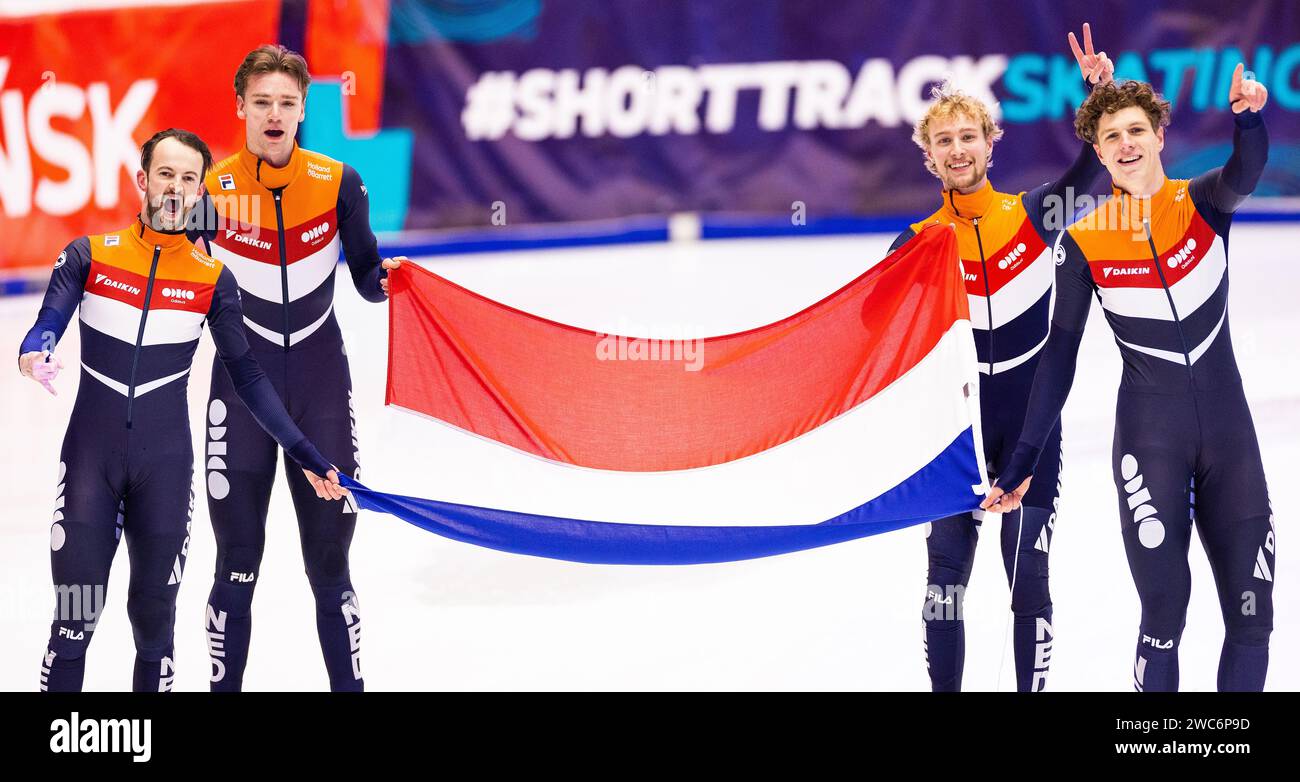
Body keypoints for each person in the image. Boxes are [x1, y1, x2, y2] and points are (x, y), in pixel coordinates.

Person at [18, 128, 346, 693]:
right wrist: (34, 349)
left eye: (189, 178)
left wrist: (308, 455)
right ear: (143, 180)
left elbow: (248, 377)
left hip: (164, 473)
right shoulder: (90, 256)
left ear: (200, 194)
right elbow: (48, 320)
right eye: (165, 174)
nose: (176, 187)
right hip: (90, 467)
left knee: (154, 625)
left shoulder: (213, 281)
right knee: (73, 622)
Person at [984, 65, 1272, 691]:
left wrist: (1248, 119)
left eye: (1136, 129)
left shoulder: (1203, 202)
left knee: (1253, 616)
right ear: (1097, 151)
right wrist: (1025, 456)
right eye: (1110, 136)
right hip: (1150, 437)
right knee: (1164, 616)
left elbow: (1247, 171)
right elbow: (1060, 352)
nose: (1126, 144)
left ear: (1161, 134)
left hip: (1230, 437)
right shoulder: (1086, 238)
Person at [888, 25, 1112, 691]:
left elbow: (1093, 169)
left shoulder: (1037, 214)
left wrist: (1099, 93)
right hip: (954, 434)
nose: (958, 150)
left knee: (1028, 582)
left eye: (968, 136)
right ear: (929, 156)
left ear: (991, 142)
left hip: (1031, 425)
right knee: (944, 585)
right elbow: (871, 334)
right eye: (944, 141)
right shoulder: (915, 244)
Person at [191, 44, 404, 692]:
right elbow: (183, 284)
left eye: (287, 102)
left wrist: (387, 280)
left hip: (318, 379)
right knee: (236, 564)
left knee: (330, 562)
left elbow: (366, 274)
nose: (275, 114)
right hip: (240, 387)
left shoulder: (339, 182)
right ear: (241, 108)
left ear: (303, 108)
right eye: (262, 103)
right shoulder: (212, 190)